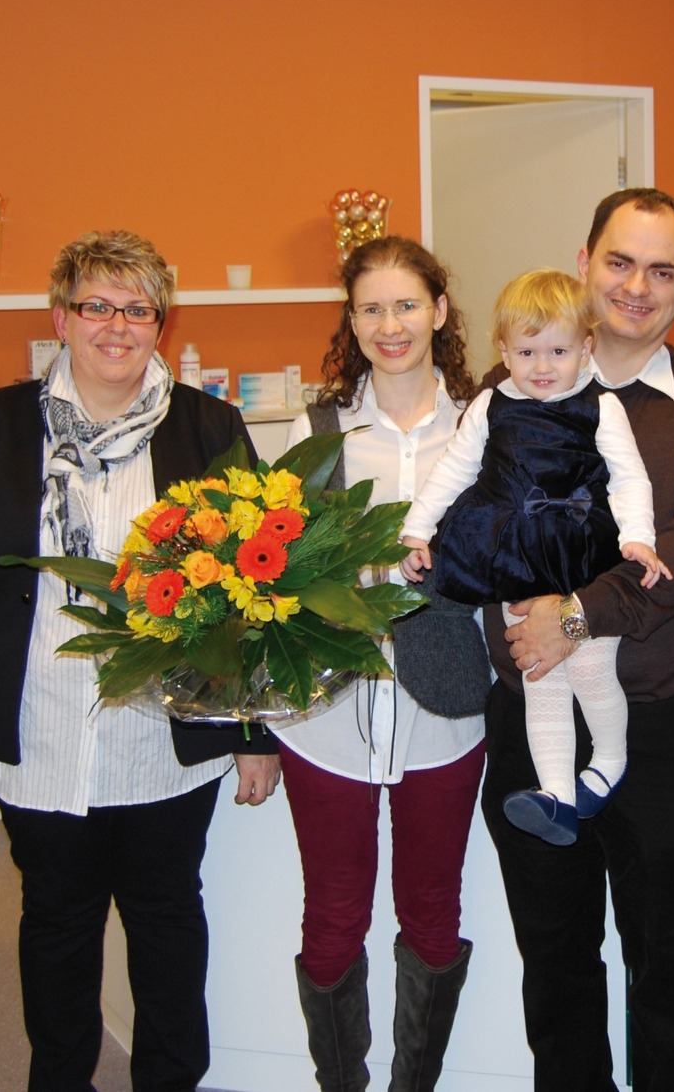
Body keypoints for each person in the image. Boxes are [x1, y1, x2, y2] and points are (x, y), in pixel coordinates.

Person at [0, 230, 280, 1092]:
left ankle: (169, 1078)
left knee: (165, 918)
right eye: (96, 305)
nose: (116, 325)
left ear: (163, 323)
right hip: (38, 725)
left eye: (138, 308)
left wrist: (254, 729)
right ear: (61, 316)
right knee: (56, 919)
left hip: (163, 731)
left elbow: (260, 590)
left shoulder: (208, 426)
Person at [478, 189, 674, 1092]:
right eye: (620, 262)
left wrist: (576, 616)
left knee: (667, 969)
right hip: (532, 722)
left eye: (662, 270)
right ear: (587, 260)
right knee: (555, 970)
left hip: (665, 728)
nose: (637, 287)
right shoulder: (509, 392)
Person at [274, 236, 489, 1092]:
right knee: (332, 916)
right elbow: (277, 578)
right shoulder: (315, 430)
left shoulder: (488, 423)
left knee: (432, 911)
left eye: (407, 304)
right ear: (351, 321)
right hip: (327, 719)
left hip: (446, 715)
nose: (390, 324)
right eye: (371, 308)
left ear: (439, 310)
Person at [400, 269, 671, 846]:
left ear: (586, 348)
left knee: (594, 668)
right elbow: (453, 469)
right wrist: (416, 529)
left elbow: (629, 478)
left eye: (558, 351)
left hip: (583, 555)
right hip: (516, 559)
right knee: (539, 674)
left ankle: (610, 763)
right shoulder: (491, 404)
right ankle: (558, 797)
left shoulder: (602, 406)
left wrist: (638, 538)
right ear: (503, 351)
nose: (543, 366)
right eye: (526, 352)